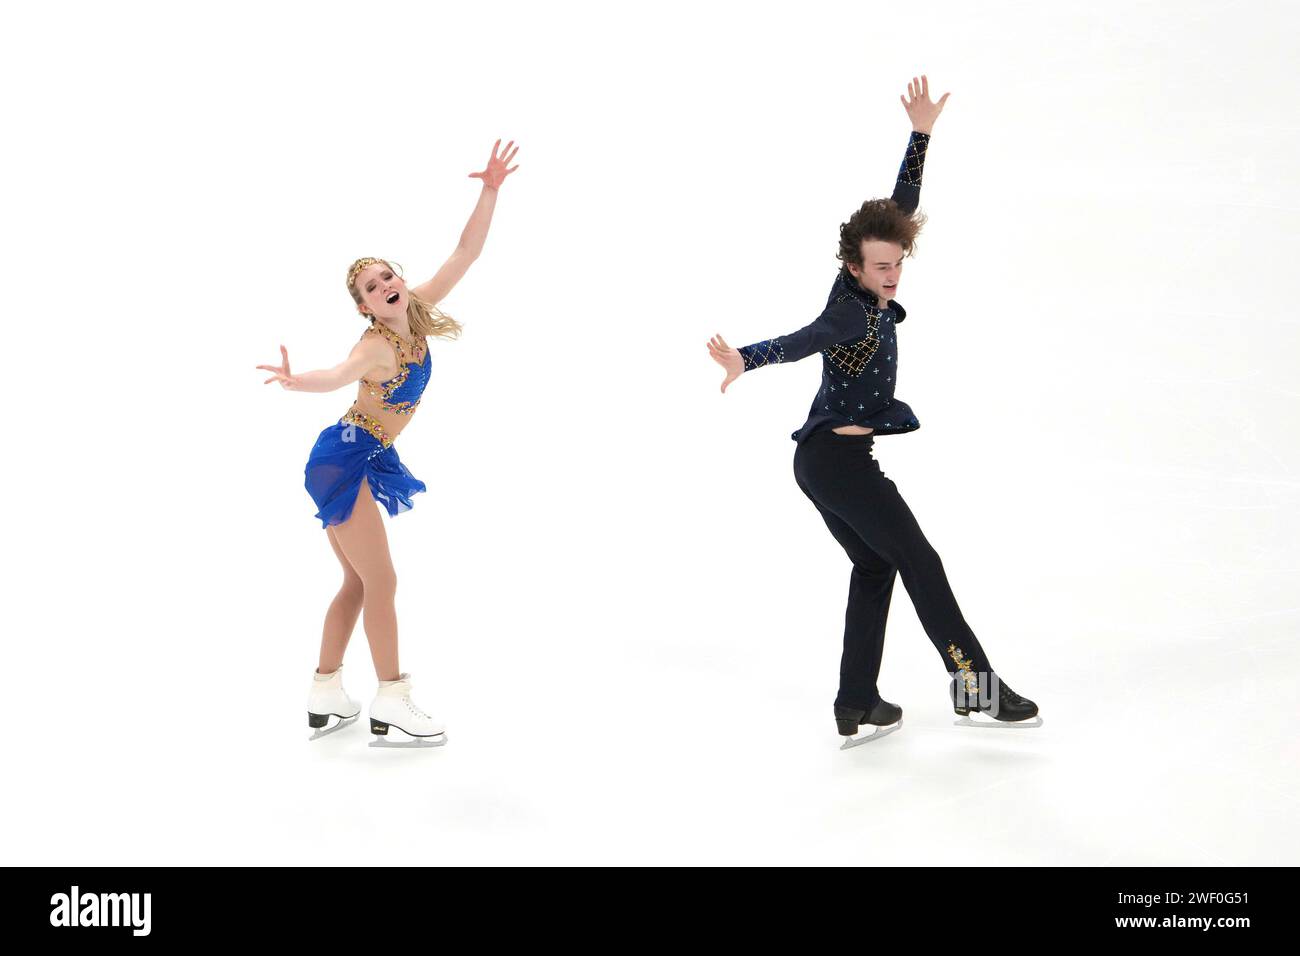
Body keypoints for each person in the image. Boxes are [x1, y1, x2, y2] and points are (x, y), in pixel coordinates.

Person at [707, 77, 1039, 738]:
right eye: (879, 267)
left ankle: (856, 701)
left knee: (876, 563)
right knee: (921, 561)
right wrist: (746, 357)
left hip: (832, 459)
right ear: (853, 269)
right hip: (836, 465)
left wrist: (920, 136)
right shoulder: (847, 314)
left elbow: (899, 210)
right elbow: (803, 341)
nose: (890, 276)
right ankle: (975, 689)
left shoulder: (869, 278)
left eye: (896, 265)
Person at [257, 138, 520, 745]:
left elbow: (466, 251)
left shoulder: (419, 309)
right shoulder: (373, 346)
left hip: (361, 455)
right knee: (383, 581)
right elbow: (339, 375)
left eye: (387, 276)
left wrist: (490, 190)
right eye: (371, 289)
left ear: (400, 280)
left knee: (357, 582)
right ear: (365, 309)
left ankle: (325, 692)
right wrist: (300, 380)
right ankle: (393, 698)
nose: (385, 287)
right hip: (343, 460)